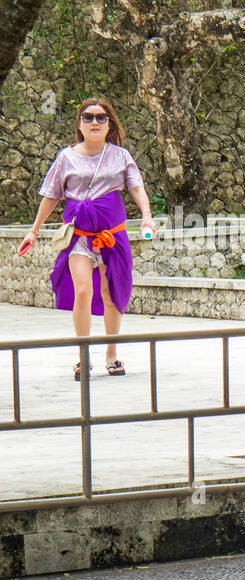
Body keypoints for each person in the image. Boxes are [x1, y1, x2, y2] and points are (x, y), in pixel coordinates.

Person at [18, 98, 154, 380]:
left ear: (109, 123)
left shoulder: (120, 155)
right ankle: (83, 352)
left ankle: (112, 353)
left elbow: (136, 187)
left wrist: (147, 215)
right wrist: (34, 230)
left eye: (101, 118)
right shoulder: (66, 157)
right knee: (83, 291)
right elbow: (52, 195)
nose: (95, 122)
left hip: (111, 235)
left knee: (111, 292)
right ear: (79, 124)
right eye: (88, 117)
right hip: (79, 237)